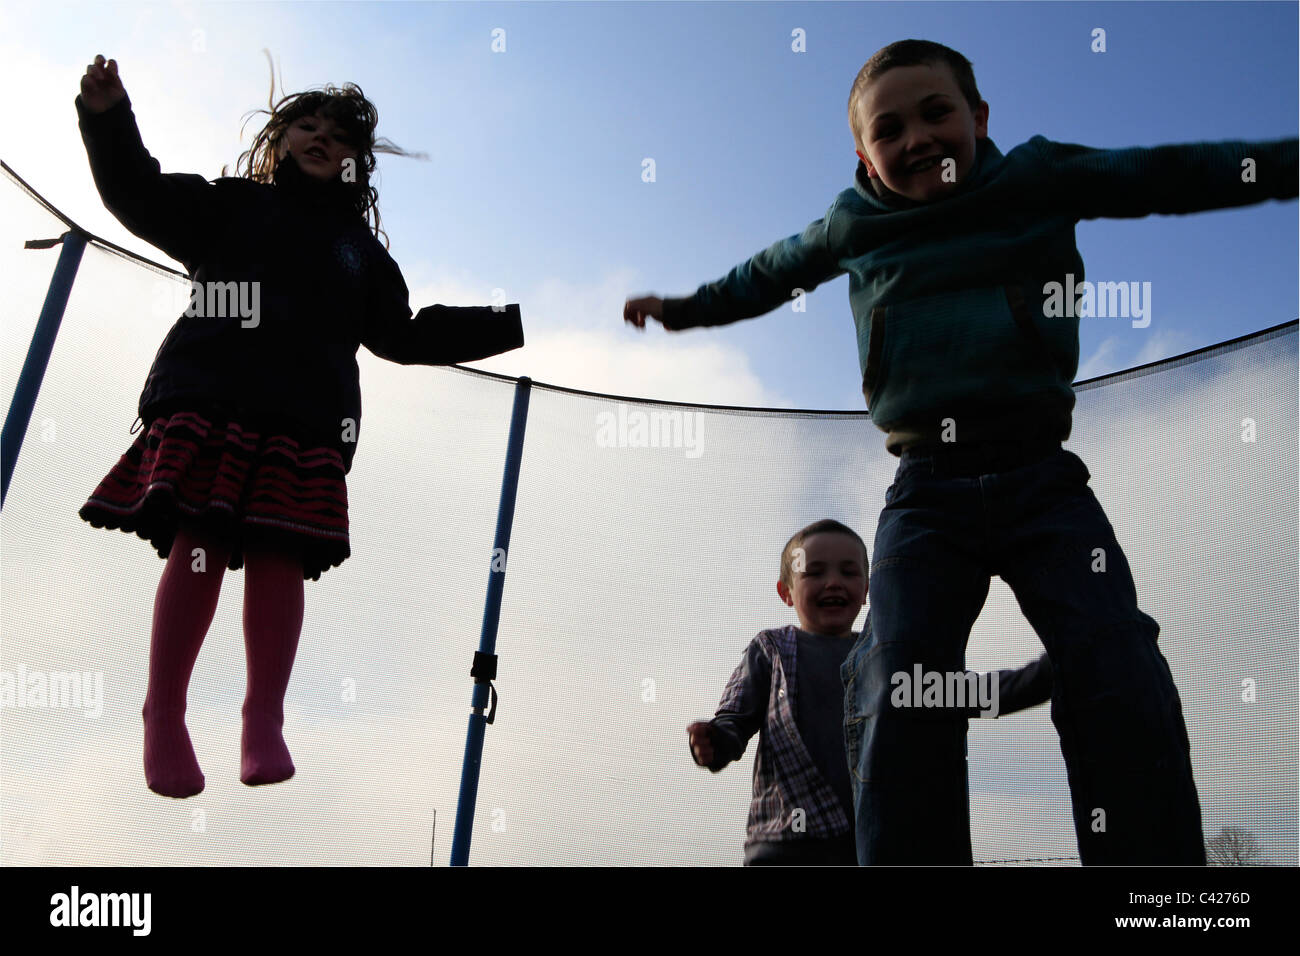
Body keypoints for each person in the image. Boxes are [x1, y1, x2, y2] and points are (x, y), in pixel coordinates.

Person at [628, 39, 1297, 864]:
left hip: (1043, 479)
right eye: (891, 129)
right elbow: (770, 271)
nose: (918, 138)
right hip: (925, 494)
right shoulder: (854, 222)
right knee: (900, 676)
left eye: (937, 114)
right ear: (865, 157)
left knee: (1112, 654)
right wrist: (688, 310)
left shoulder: (1038, 180)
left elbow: (1169, 171)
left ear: (978, 118)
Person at [75, 55, 524, 798]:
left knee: (283, 550)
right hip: (212, 393)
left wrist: (508, 322)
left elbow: (405, 335)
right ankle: (166, 713)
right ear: (279, 142)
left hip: (305, 420)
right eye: (305, 126)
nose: (320, 137)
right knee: (201, 541)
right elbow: (139, 193)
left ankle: (263, 719)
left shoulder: (362, 255)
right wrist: (108, 117)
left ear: (357, 165)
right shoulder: (231, 207)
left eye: (339, 136)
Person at [688, 519, 1052, 865]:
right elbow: (734, 718)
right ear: (786, 591)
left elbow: (959, 692)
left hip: (873, 846)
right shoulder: (771, 649)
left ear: (866, 591)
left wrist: (1044, 676)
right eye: (814, 572)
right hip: (787, 846)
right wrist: (716, 741)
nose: (833, 582)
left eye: (848, 572)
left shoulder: (885, 655)